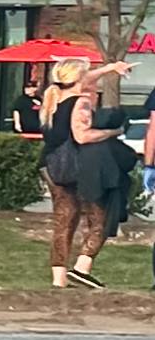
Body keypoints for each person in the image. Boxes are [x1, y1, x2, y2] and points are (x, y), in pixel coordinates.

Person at [41, 68, 113, 288]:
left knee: (64, 220)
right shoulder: (80, 103)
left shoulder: (52, 100)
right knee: (101, 218)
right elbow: (82, 136)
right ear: (79, 79)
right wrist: (113, 132)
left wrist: (111, 67)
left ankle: (58, 279)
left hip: (51, 166)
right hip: (78, 167)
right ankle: (83, 268)